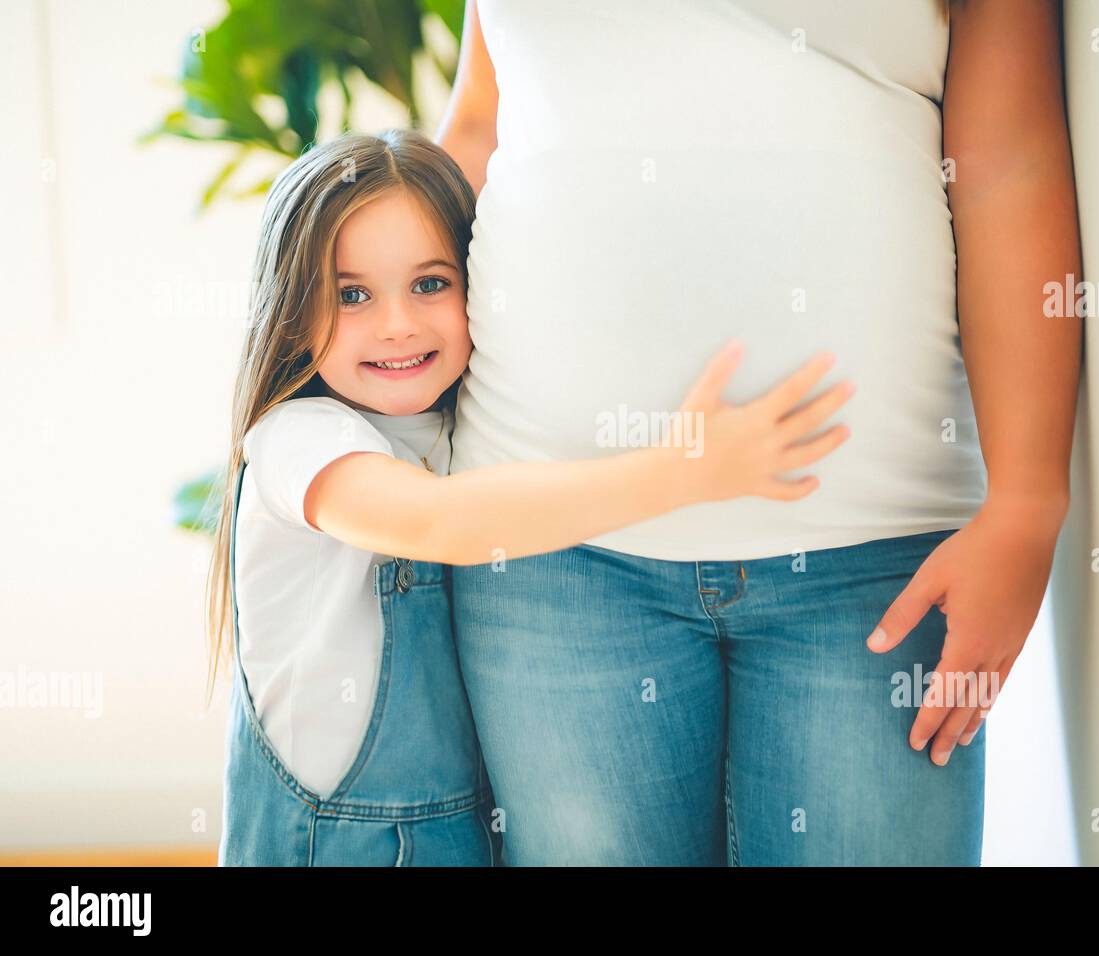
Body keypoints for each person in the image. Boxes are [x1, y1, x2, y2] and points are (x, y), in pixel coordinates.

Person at [436, 0, 1082, 864]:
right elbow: (480, 123)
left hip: (877, 555)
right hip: (550, 540)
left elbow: (1010, 162)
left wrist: (1029, 503)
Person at [204, 128, 854, 866]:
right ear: (291, 312)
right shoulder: (300, 439)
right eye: (351, 294)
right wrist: (685, 470)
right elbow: (441, 522)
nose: (397, 324)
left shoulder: (458, 429)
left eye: (430, 283)